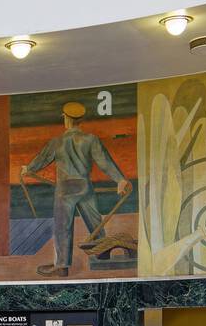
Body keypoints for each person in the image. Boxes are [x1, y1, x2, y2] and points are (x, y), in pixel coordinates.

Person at [20, 100, 131, 278]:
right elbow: (104, 162)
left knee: (62, 227)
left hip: (65, 190)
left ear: (66, 119)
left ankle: (62, 266)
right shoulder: (90, 139)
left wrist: (28, 169)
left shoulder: (57, 142)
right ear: (80, 120)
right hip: (85, 186)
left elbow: (41, 160)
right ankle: (102, 252)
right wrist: (120, 179)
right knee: (95, 222)